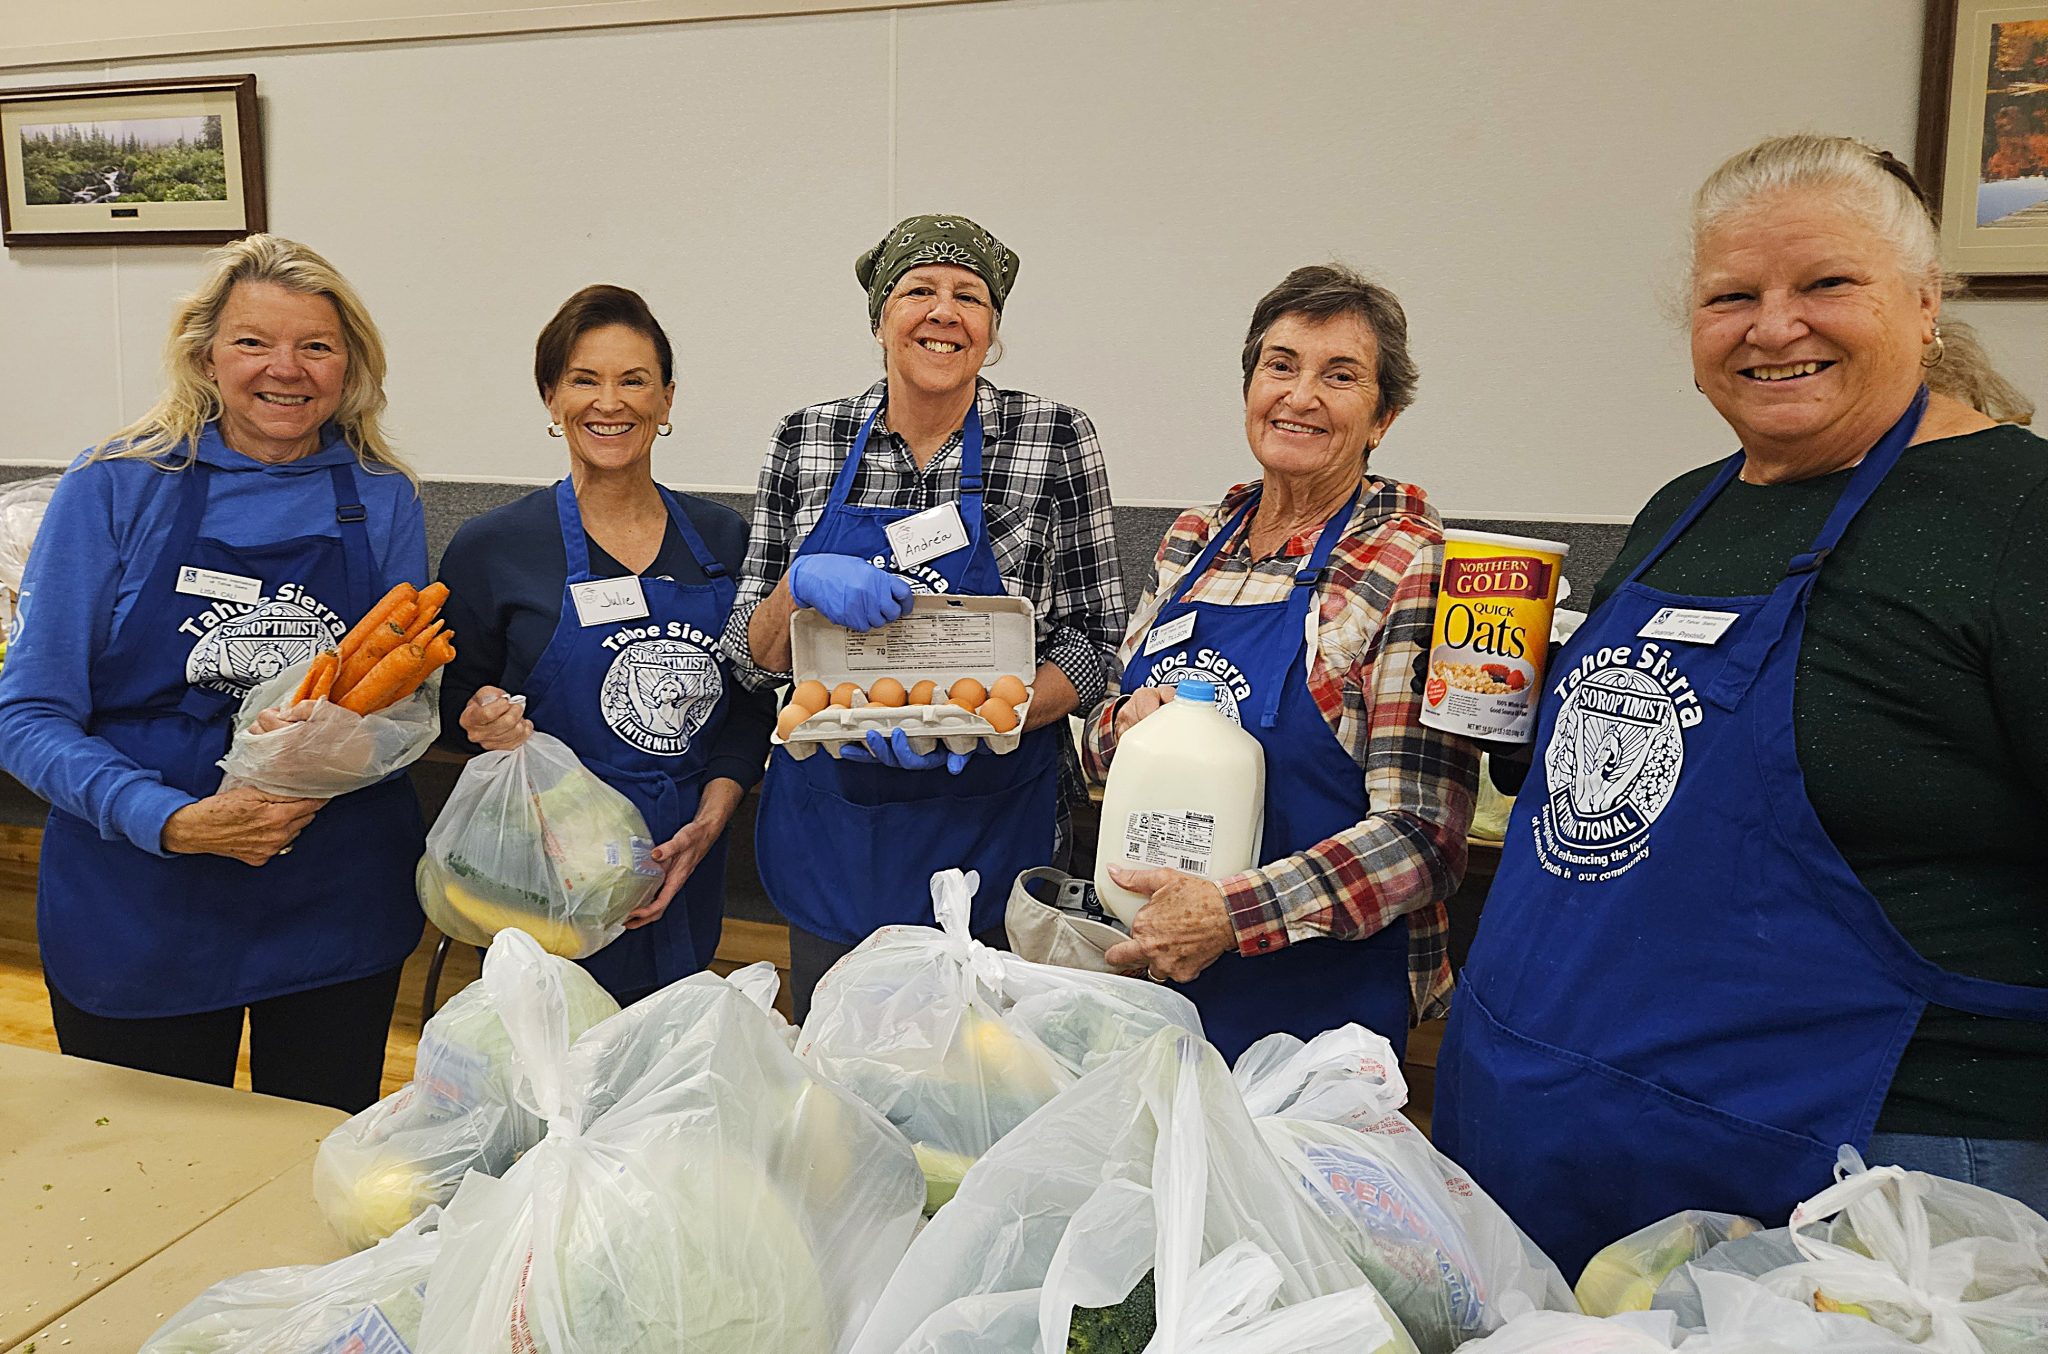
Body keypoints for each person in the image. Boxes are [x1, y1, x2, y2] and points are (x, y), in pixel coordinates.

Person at [1434, 134, 2048, 1276]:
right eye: (1730, 296)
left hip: (1858, 1189)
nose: (1772, 326)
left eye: (1825, 284)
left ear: (1923, 305)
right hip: (1556, 1146)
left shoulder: (2013, 517)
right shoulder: (1684, 505)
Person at [0, 235, 426, 1112]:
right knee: (143, 1172)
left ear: (350, 367)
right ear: (204, 355)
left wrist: (333, 761)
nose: (287, 369)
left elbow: (404, 694)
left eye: (316, 345)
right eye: (252, 342)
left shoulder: (380, 496)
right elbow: (28, 714)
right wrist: (174, 820)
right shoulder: (117, 485)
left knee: (315, 1164)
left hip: (330, 894)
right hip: (143, 897)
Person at [730, 214, 1125, 1020]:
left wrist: (993, 711)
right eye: (918, 290)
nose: (944, 311)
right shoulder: (807, 438)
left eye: (968, 297)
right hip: (839, 824)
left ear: (991, 331)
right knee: (839, 1083)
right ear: (880, 319)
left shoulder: (1053, 437)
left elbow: (1096, 643)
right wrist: (797, 584)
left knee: (983, 1092)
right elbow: (748, 656)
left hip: (994, 817)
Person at [1080, 263, 1477, 1065]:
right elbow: (1101, 744)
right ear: (1250, 386)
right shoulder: (1195, 540)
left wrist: (1229, 916)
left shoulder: (1412, 563)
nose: (1300, 396)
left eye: (1340, 376)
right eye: (1281, 366)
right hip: (1152, 972)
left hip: (1315, 998)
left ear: (1383, 417)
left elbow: (1423, 837)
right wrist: (1119, 724)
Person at [436, 285, 774, 1003]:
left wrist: (710, 824)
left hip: (686, 856)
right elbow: (452, 698)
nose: (609, 402)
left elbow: (749, 706)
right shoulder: (494, 548)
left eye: (634, 380)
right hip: (546, 877)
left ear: (667, 399)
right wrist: (478, 719)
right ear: (551, 397)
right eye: (585, 380)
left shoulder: (725, 540)